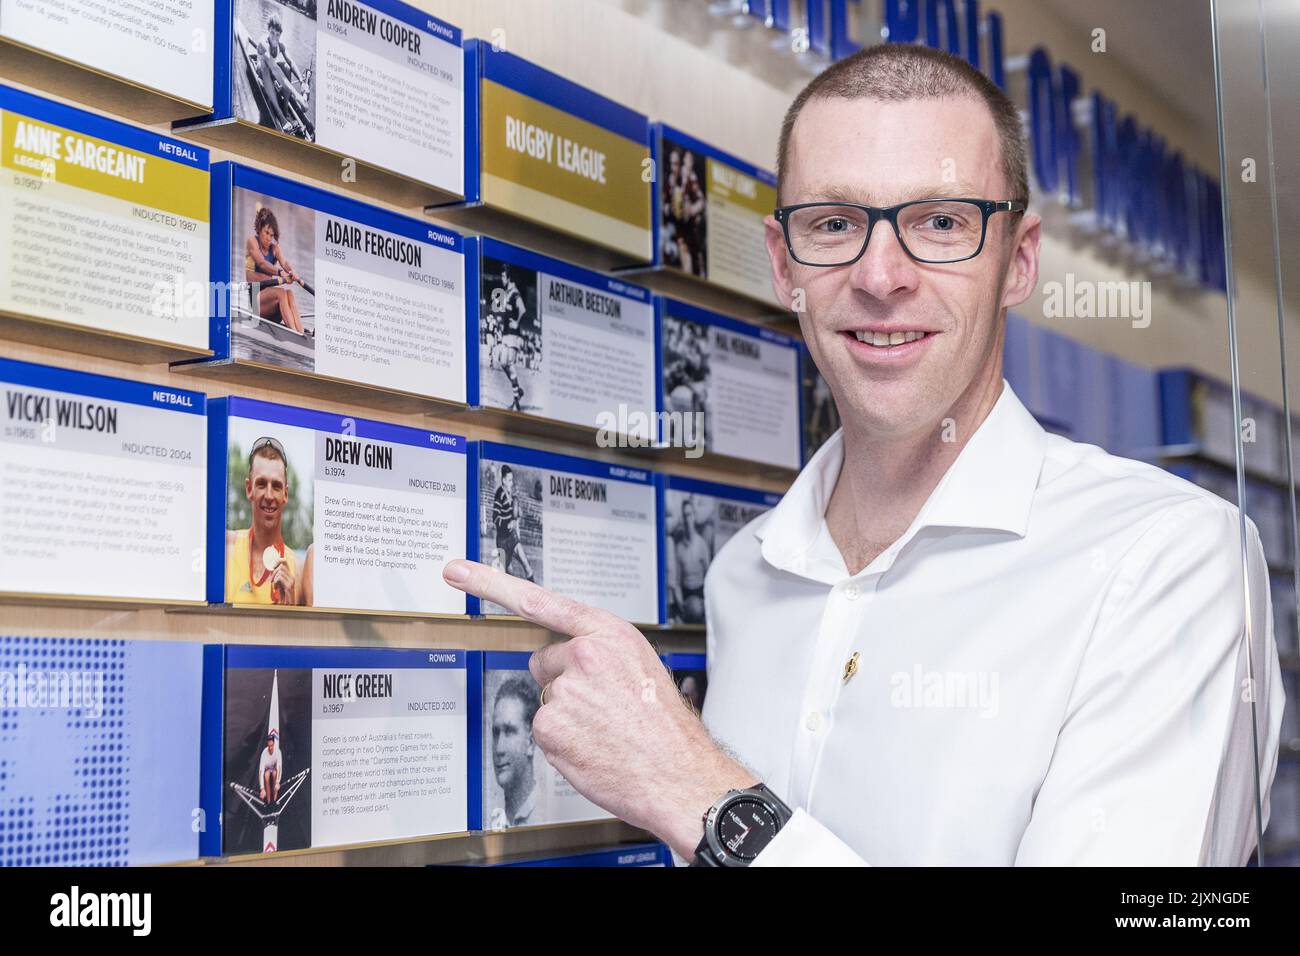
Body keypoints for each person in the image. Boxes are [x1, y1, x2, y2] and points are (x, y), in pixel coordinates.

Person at [442, 42, 1284, 866]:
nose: (882, 276)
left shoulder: (1167, 562)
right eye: (836, 223)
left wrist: (702, 795)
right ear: (784, 264)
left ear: (1019, 260)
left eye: (942, 222)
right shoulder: (746, 572)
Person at [226, 436, 310, 605]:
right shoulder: (226, 547)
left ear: (285, 494)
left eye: (276, 486)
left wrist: (290, 607)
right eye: (262, 484)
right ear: (249, 489)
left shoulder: (299, 570)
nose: (269, 495)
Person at [491, 675, 542, 828]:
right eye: (496, 732)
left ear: (531, 743)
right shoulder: (495, 819)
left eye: (509, 731)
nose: (499, 748)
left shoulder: (544, 814)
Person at [245, 206, 305, 334]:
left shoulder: (275, 248)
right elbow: (262, 263)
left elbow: (284, 263)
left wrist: (292, 272)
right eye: (266, 233)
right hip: (256, 302)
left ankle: (300, 332)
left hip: (270, 302)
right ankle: (295, 334)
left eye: (271, 235)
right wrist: (280, 274)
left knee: (290, 294)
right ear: (259, 229)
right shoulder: (252, 242)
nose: (268, 238)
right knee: (281, 293)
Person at [671, 498, 711, 625]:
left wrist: (705, 601)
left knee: (696, 608)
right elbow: (677, 582)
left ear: (694, 516)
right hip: (686, 594)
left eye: (689, 514)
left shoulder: (702, 545)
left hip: (699, 594)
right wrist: (681, 602)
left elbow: (709, 578)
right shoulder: (679, 548)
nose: (687, 519)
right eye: (684, 516)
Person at [491, 465, 534, 582]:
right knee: (510, 575)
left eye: (512, 480)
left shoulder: (512, 495)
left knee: (526, 563)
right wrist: (507, 523)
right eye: (510, 480)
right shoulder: (499, 494)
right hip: (502, 540)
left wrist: (518, 512)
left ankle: (535, 593)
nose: (512, 482)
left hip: (511, 536)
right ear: (504, 480)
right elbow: (495, 517)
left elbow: (515, 514)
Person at [258, 732, 282, 805]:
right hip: (267, 770)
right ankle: (268, 800)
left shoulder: (278, 752)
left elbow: (279, 768)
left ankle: (274, 800)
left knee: (275, 774)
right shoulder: (264, 753)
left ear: (274, 744)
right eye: (269, 746)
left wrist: (277, 782)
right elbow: (260, 772)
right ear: (267, 745)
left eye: (271, 745)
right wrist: (262, 788)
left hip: (274, 769)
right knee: (266, 775)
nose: (270, 748)